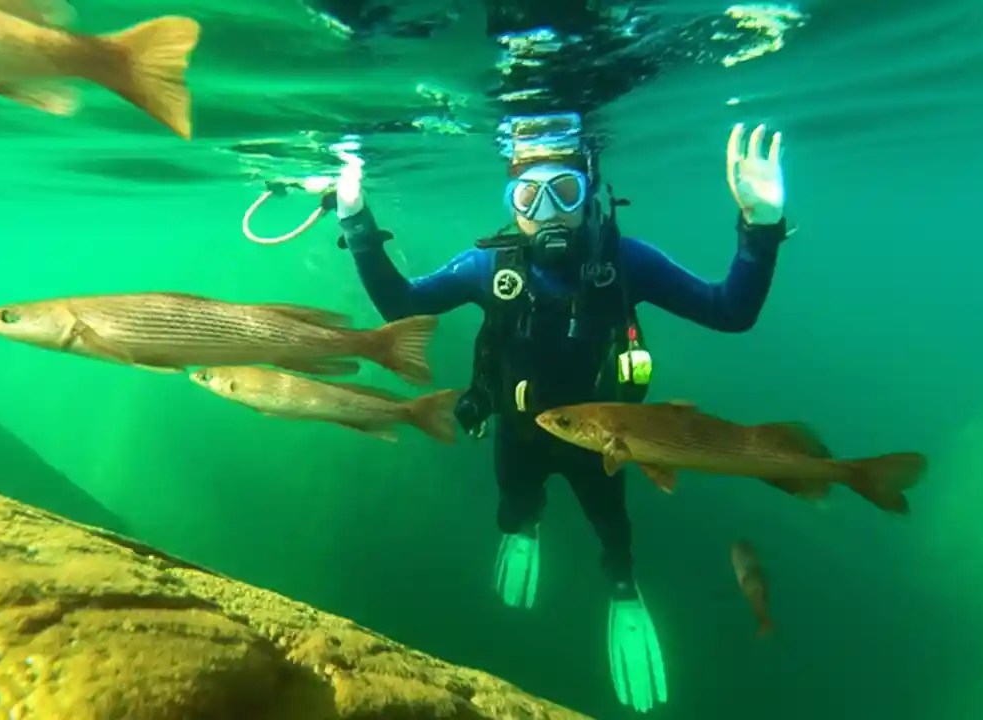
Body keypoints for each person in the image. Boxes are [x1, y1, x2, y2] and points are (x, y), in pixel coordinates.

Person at [333, 114, 788, 714]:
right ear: (513, 206)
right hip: (518, 430)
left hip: (604, 440)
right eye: (529, 195)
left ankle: (623, 591)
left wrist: (762, 226)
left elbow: (729, 311)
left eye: (565, 190)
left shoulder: (625, 260)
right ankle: (525, 528)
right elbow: (401, 304)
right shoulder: (488, 265)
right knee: (514, 504)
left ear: (590, 192)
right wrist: (356, 221)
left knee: (614, 527)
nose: (548, 210)